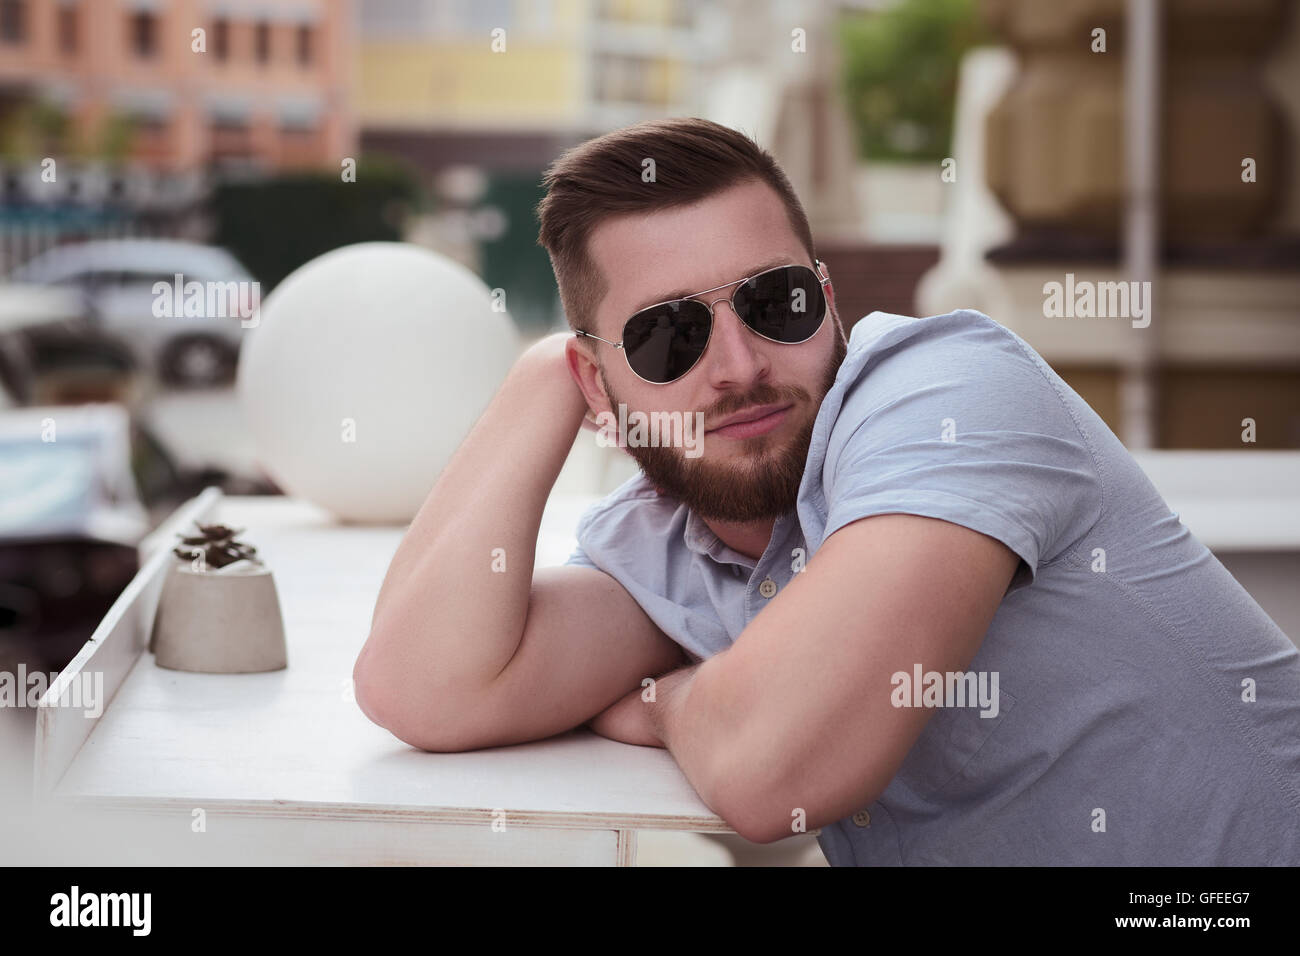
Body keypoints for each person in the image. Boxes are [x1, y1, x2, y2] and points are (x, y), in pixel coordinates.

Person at [353, 117, 1300, 866]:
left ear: (828, 298)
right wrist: (538, 382)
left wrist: (663, 703)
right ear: (601, 385)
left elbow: (779, 774)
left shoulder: (949, 394)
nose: (738, 365)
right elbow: (423, 688)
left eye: (775, 304)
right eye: (665, 338)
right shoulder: (680, 538)